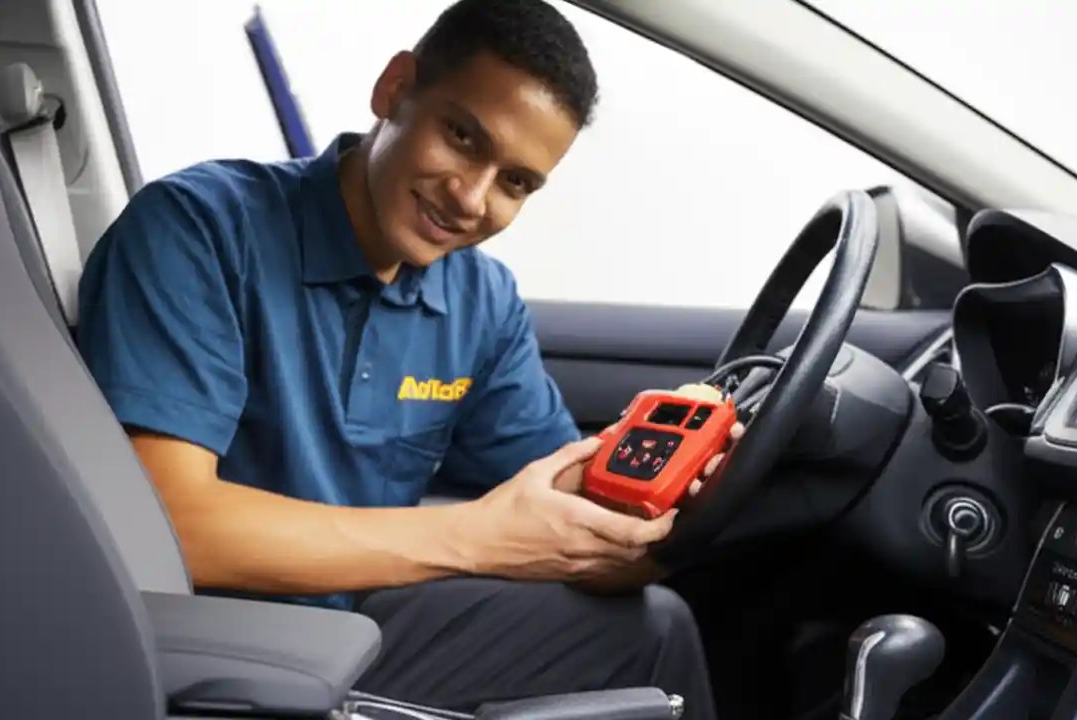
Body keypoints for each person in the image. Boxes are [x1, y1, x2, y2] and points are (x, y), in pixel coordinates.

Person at [76, 0, 729, 716]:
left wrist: (683, 496)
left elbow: (576, 520)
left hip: (363, 620)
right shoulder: (199, 230)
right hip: (217, 642)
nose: (471, 198)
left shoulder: (481, 298)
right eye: (461, 137)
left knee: (654, 630)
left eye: (516, 182)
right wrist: (476, 539)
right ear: (394, 90)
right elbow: (176, 526)